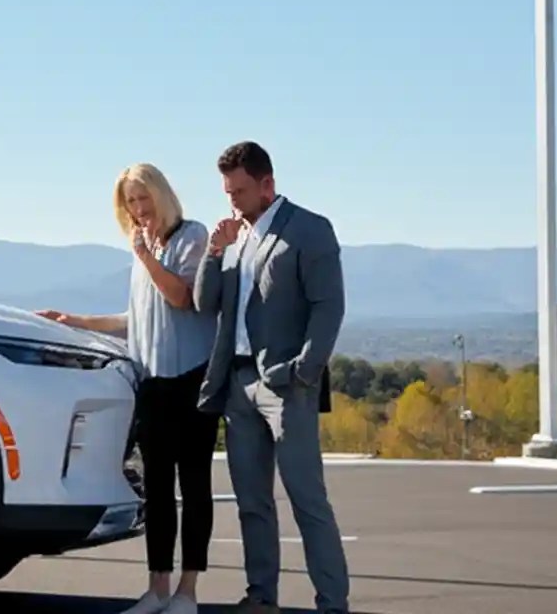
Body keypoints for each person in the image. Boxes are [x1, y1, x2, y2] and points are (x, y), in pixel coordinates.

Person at [37, 162, 219, 614]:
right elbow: (136, 319)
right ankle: (157, 589)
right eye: (130, 202)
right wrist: (76, 322)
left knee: (193, 485)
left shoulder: (190, 237)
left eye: (143, 198)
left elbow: (182, 297)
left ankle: (187, 592)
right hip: (152, 384)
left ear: (161, 195)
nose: (138, 210)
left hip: (193, 380)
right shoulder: (142, 250)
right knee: (156, 490)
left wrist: (146, 258)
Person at [192, 141, 350, 614]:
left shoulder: (309, 229)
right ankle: (261, 596)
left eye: (239, 190)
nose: (233, 200)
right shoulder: (235, 237)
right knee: (251, 503)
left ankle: (332, 603)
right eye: (227, 192)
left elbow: (329, 306)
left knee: (307, 500)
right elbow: (205, 302)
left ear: (267, 184)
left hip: (287, 386)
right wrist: (213, 251)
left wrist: (305, 371)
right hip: (238, 384)